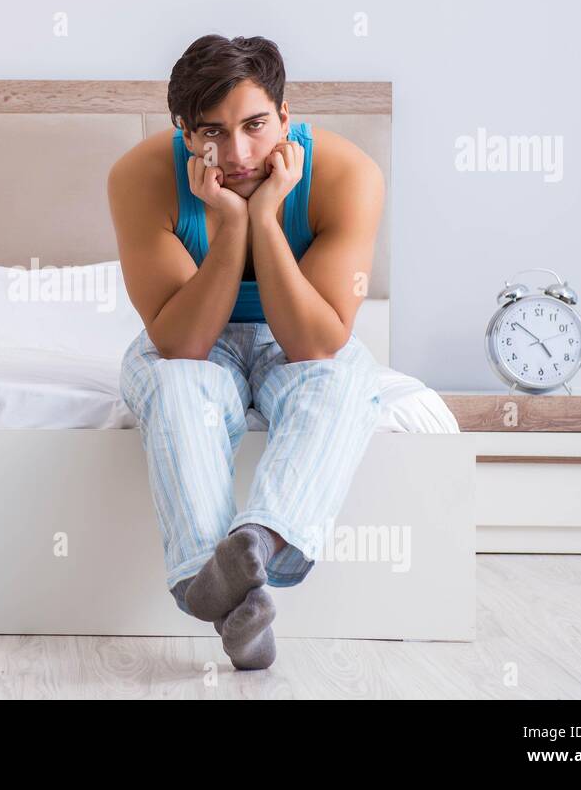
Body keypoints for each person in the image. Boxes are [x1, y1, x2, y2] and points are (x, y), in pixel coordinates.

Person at [107, 34, 385, 670]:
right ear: (183, 132)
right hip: (193, 334)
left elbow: (316, 342)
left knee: (341, 385)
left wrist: (265, 217)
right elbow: (180, 342)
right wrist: (231, 224)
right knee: (178, 388)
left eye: (257, 125)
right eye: (212, 133)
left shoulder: (349, 174)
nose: (237, 154)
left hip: (302, 333)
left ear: (286, 116)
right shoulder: (139, 177)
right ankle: (234, 596)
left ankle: (252, 546)